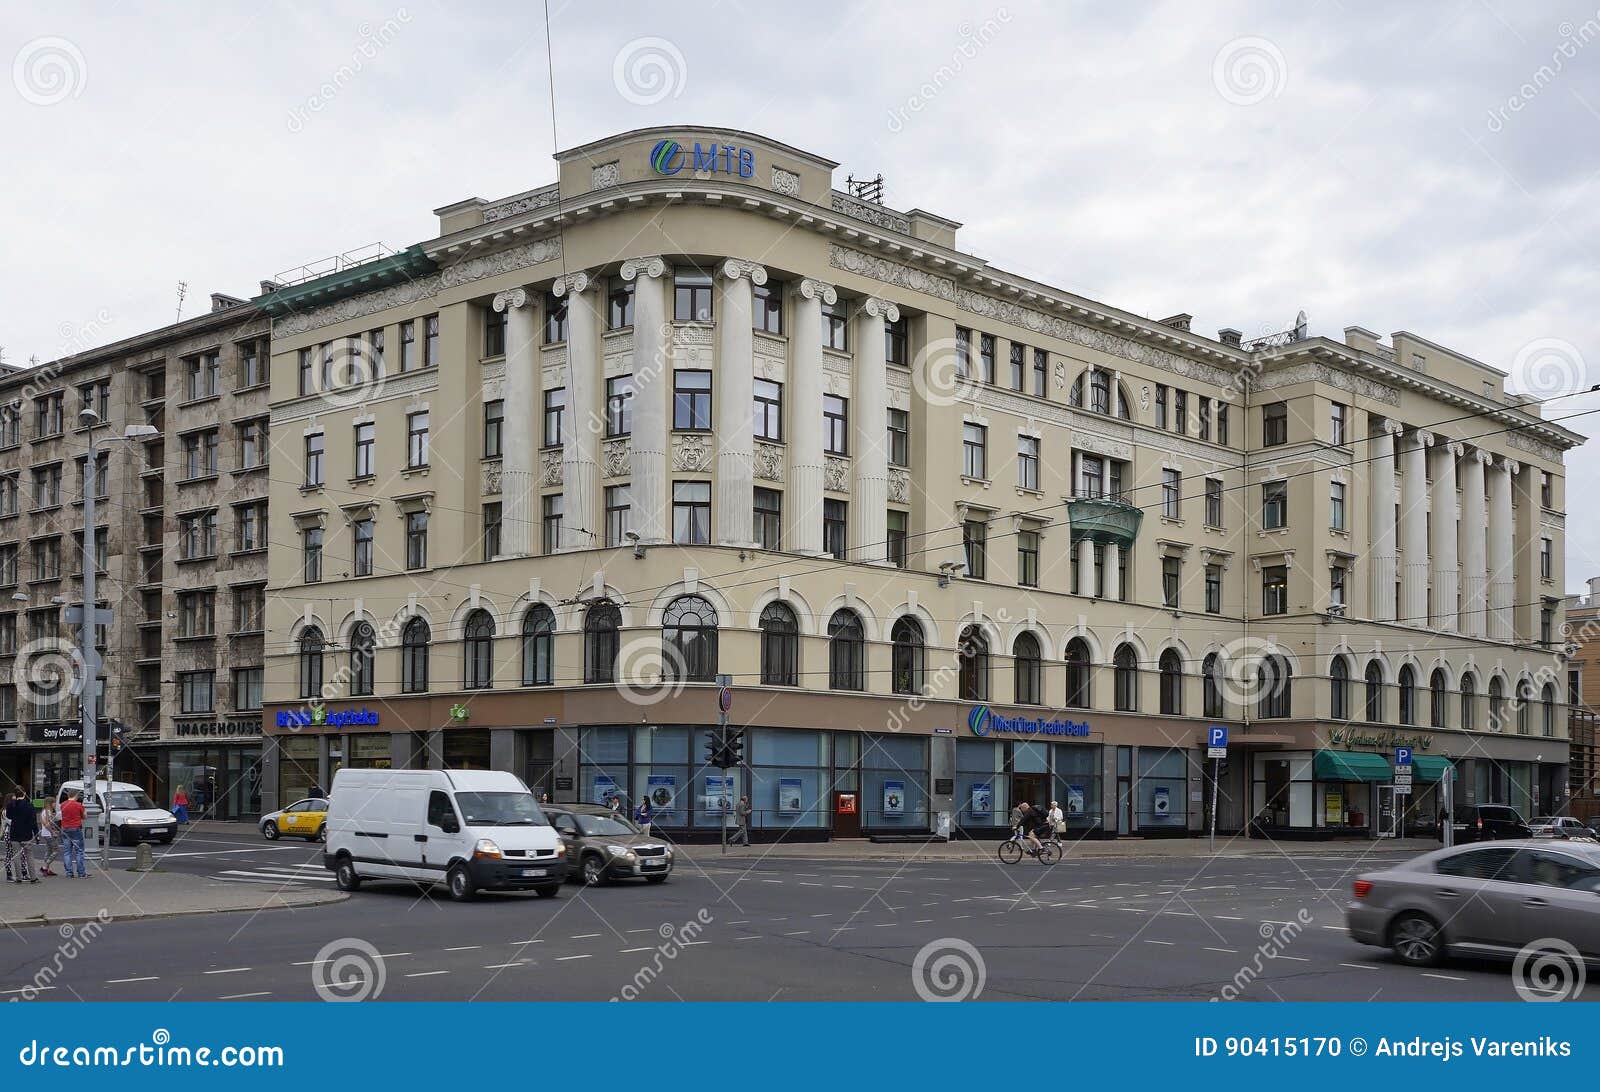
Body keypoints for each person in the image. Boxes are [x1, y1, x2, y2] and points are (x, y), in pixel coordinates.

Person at [4, 788, 39, 883]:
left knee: (16, 856)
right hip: (26, 834)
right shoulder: (29, 805)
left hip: (14, 833)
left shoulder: (10, 805)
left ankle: (18, 878)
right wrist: (36, 834)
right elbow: (33, 822)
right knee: (29, 856)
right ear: (24, 793)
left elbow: (9, 816)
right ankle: (33, 877)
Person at [59, 790, 86, 878]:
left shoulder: (63, 804)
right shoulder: (79, 805)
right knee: (79, 851)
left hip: (65, 828)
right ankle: (81, 872)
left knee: (67, 852)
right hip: (76, 828)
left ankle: (69, 872)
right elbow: (84, 816)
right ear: (76, 795)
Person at [36, 799, 60, 877]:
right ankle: (45, 867)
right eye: (54, 802)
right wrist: (53, 832)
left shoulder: (43, 811)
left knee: (49, 851)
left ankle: (47, 869)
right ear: (50, 803)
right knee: (55, 851)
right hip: (49, 834)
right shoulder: (48, 812)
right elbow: (47, 824)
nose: (55, 804)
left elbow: (44, 823)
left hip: (45, 834)